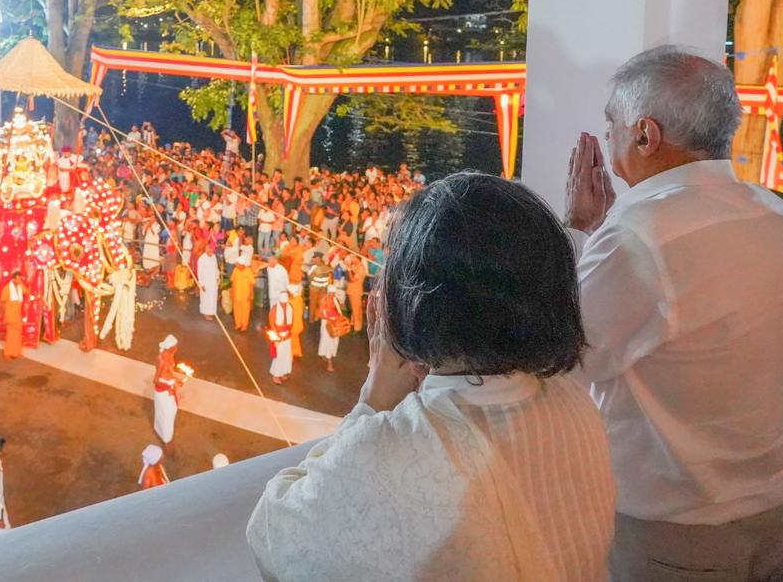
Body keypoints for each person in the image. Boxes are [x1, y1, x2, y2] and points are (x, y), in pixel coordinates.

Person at [247, 173, 615, 580]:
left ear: (414, 303)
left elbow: (272, 534)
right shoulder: (576, 403)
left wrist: (372, 401)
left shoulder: (397, 447)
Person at [564, 46, 783, 581]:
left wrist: (586, 233)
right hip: (776, 503)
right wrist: (601, 233)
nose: (608, 137)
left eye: (612, 124)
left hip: (681, 529)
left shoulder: (638, 235)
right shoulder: (771, 210)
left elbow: (567, 358)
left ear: (645, 135)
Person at [153, 335, 184, 444]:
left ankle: (166, 433)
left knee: (172, 410)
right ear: (170, 347)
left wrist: (177, 379)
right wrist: (169, 387)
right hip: (163, 389)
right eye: (175, 346)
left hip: (169, 386)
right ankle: (165, 437)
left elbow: (170, 370)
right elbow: (156, 380)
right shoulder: (161, 360)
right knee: (165, 413)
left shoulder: (170, 355)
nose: (176, 348)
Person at [316, 284, 346, 372]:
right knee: (328, 341)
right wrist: (329, 319)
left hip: (335, 323)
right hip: (327, 323)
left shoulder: (335, 300)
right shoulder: (323, 301)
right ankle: (329, 363)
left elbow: (338, 310)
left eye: (333, 293)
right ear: (328, 293)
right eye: (331, 293)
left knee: (334, 341)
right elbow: (319, 314)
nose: (332, 295)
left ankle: (325, 354)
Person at [267, 290, 294, 384]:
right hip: (279, 334)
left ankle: (282, 372)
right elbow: (271, 322)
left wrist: (288, 332)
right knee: (279, 355)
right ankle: (276, 375)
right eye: (282, 303)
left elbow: (291, 322)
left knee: (286, 355)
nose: (284, 305)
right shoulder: (275, 308)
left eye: (285, 303)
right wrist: (278, 334)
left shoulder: (290, 307)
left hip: (287, 334)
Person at [0, 272, 25, 360]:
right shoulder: (7, 289)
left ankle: (17, 353)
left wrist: (21, 283)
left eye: (20, 279)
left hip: (18, 315)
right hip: (9, 315)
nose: (19, 280)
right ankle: (7, 353)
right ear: (13, 279)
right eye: (18, 279)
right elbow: (2, 304)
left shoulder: (20, 287)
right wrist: (4, 317)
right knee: (10, 334)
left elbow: (27, 291)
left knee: (17, 334)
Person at [231, 247, 256, 332]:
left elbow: (252, 284)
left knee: (245, 311)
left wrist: (251, 295)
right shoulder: (235, 270)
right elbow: (232, 281)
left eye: (237, 264)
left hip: (245, 296)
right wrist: (232, 292)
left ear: (242, 264)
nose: (236, 265)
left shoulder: (248, 271)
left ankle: (244, 325)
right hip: (236, 295)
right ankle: (238, 324)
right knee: (236, 310)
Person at [196, 246, 220, 320]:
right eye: (209, 249)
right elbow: (199, 272)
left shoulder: (214, 256)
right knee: (206, 298)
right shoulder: (202, 259)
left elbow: (216, 268)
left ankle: (212, 311)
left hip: (213, 281)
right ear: (206, 249)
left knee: (213, 297)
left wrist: (217, 277)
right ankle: (206, 313)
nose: (210, 250)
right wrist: (201, 284)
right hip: (206, 282)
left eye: (211, 249)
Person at [288, 283, 305, 359]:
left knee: (292, 340)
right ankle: (297, 352)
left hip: (293, 325)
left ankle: (290, 355)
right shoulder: (299, 299)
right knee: (296, 339)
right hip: (298, 324)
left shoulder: (293, 302)